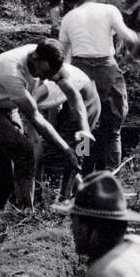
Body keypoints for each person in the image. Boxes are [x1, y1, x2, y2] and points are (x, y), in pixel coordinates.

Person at [0, 41, 88, 210]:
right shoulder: (13, 72)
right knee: (23, 152)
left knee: (70, 154)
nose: (45, 78)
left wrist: (85, 132)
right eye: (44, 74)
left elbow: (75, 98)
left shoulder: (51, 65)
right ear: (37, 60)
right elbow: (36, 121)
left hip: (86, 102)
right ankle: (24, 213)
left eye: (50, 75)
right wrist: (66, 150)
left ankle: (69, 197)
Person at [58, 0, 140, 171]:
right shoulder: (109, 10)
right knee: (113, 130)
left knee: (82, 125)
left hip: (80, 72)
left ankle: (81, 172)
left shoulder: (69, 17)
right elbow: (128, 37)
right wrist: (138, 41)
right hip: (106, 70)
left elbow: (62, 54)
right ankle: (110, 175)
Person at [35, 62, 101, 199]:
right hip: (90, 100)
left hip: (85, 101)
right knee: (76, 154)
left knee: (70, 154)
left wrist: (50, 137)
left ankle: (66, 198)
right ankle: (84, 195)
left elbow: (53, 108)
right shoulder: (45, 73)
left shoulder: (49, 82)